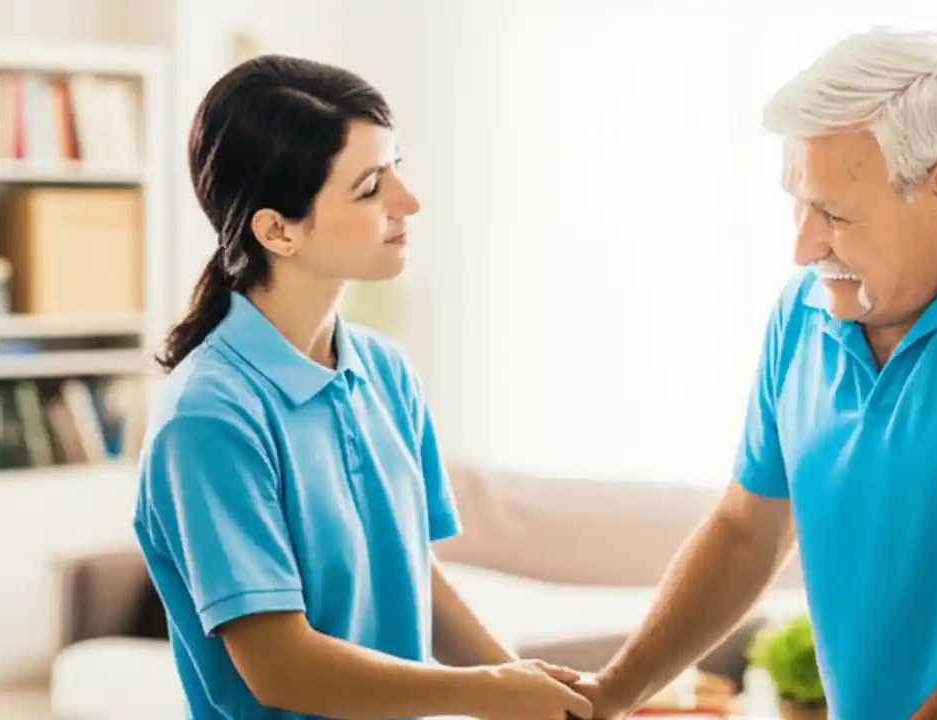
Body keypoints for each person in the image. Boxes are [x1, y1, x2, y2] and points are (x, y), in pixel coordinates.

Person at [573, 28, 937, 720]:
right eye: (798, 205)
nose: (804, 246)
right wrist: (609, 694)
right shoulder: (800, 316)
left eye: (833, 213)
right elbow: (747, 532)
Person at [133, 55, 594, 720]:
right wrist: (489, 693)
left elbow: (415, 577)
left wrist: (529, 686)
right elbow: (281, 668)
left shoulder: (386, 372)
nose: (408, 202)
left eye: (396, 169)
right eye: (371, 186)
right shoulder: (207, 418)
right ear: (277, 230)